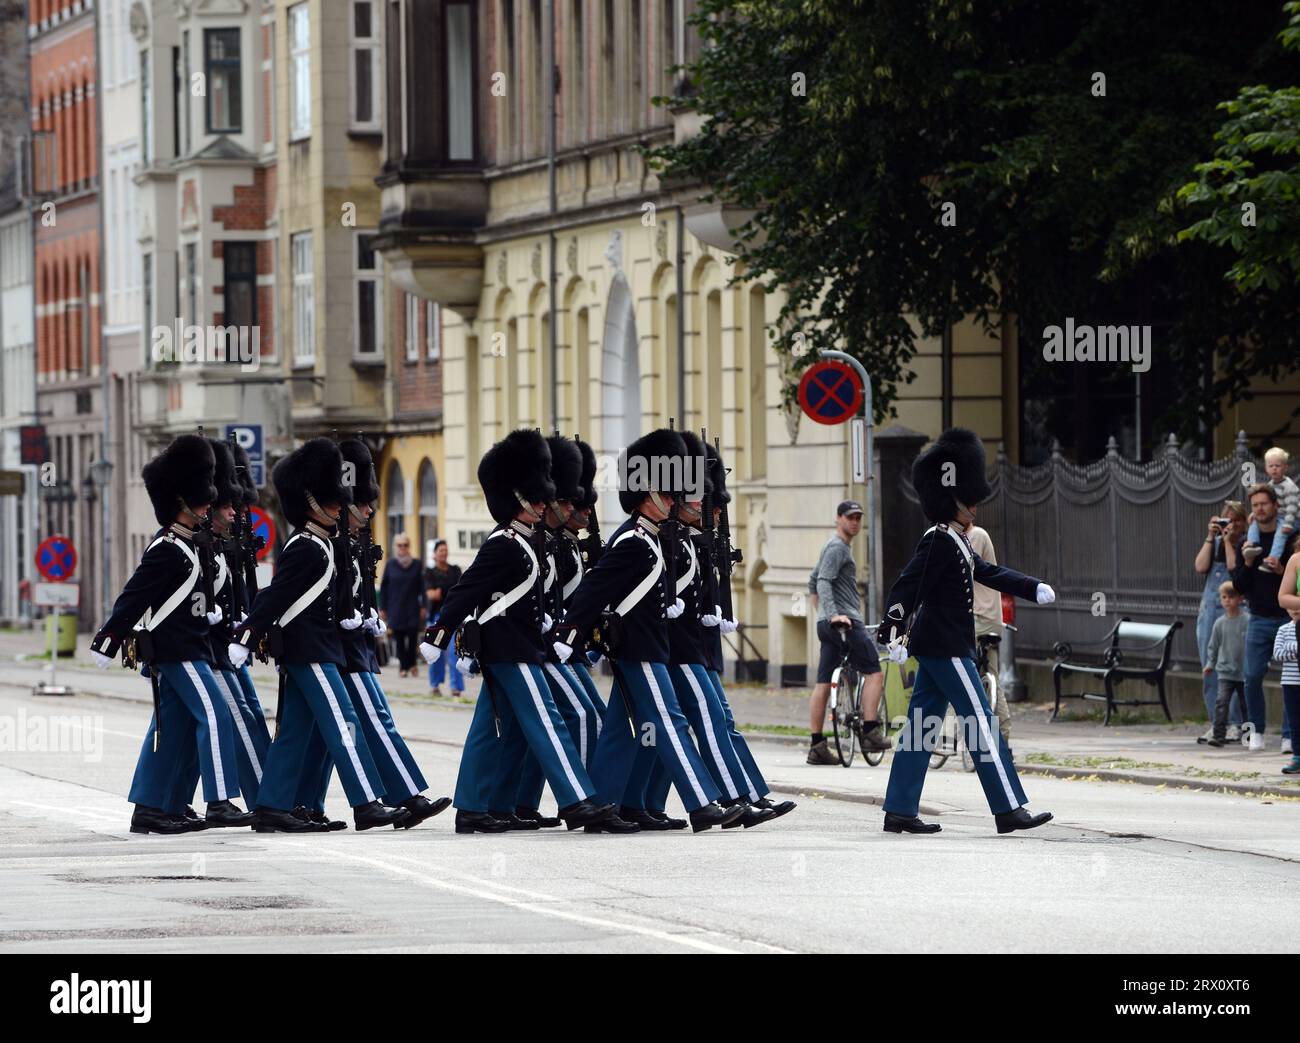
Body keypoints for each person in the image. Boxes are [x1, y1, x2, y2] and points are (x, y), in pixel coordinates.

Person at [419, 428, 621, 834]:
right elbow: (466, 589)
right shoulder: (504, 541)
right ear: (518, 499)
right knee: (547, 721)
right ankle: (577, 799)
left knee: (497, 730)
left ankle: (481, 806)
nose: (546, 503)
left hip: (524, 644)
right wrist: (437, 633)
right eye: (538, 497)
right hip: (507, 646)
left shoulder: (530, 540)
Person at [554, 427, 745, 832]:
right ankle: (702, 802)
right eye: (669, 494)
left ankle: (606, 806)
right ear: (648, 495)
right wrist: (570, 632)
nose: (676, 501)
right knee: (669, 720)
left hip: (650, 644)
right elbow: (594, 588)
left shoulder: (653, 537)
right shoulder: (633, 540)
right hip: (636, 646)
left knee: (626, 731)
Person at [878, 427, 1055, 835]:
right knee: (980, 720)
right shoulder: (938, 541)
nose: (974, 508)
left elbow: (989, 572)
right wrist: (891, 626)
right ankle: (1008, 807)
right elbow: (908, 584)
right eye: (966, 501)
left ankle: (900, 809)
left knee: (922, 726)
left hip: (944, 645)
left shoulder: (957, 540)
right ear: (949, 502)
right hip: (945, 647)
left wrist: (1031, 587)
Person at [229, 438, 409, 833]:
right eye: (331, 502)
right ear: (310, 502)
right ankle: (367, 803)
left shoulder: (323, 543)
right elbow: (275, 597)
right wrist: (246, 636)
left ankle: (273, 806)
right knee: (344, 721)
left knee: (294, 732)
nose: (338, 507)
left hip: (317, 648)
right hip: (309, 651)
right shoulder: (305, 546)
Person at [90, 434, 251, 834]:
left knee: (172, 731)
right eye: (200, 500)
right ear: (181, 502)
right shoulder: (166, 547)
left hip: (192, 645)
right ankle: (220, 802)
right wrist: (108, 640)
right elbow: (133, 596)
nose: (207, 506)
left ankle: (154, 808)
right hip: (175, 650)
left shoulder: (194, 545)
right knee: (216, 716)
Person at [807, 500, 887, 764]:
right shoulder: (837, 548)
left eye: (858, 518)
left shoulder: (833, 547)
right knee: (874, 672)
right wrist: (833, 615)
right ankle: (870, 730)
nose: (855, 522)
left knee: (822, 681)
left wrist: (823, 613)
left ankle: (817, 745)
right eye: (850, 517)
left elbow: (813, 581)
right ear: (838, 518)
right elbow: (823, 581)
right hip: (846, 622)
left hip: (830, 624)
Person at [1228, 483, 1298, 751]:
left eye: (1264, 504)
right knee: (1253, 675)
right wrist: (1247, 562)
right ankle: (1256, 730)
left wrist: (1282, 570)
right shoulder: (1249, 540)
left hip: (1288, 618)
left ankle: (1290, 736)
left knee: (1291, 678)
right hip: (1258, 617)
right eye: (1255, 505)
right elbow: (1239, 586)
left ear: (1275, 506)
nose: (1259, 509)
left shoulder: (1291, 537)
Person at [1194, 500, 1249, 742]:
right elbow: (1200, 566)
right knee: (1210, 666)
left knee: (1235, 667)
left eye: (1236, 520)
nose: (1231, 525)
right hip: (1210, 612)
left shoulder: (1246, 545)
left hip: (1235, 613)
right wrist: (1210, 537)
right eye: (1227, 520)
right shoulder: (1214, 542)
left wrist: (1228, 541)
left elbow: (1233, 568)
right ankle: (1216, 721)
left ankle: (1236, 723)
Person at [966, 523, 1015, 760]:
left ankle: (947, 734)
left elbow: (962, 574)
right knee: (993, 678)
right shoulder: (978, 535)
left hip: (978, 617)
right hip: (991, 620)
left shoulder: (974, 536)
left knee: (956, 671)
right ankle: (1003, 741)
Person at [1203, 581, 1249, 747]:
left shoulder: (1247, 620)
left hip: (1244, 672)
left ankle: (1248, 736)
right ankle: (1218, 735)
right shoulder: (1219, 623)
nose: (1227, 600)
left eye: (1231, 596)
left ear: (1240, 598)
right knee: (1221, 702)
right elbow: (1213, 646)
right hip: (1225, 671)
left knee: (1246, 705)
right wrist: (1210, 663)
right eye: (1224, 597)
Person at [1246, 448, 1298, 573]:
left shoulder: (1289, 486)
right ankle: (1252, 544)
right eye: (1271, 466)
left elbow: (1292, 507)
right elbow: (1266, 502)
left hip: (1292, 519)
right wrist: (1254, 514)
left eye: (1278, 466)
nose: (1274, 468)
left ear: (1285, 468)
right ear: (1266, 468)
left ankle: (1272, 559)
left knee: (1280, 534)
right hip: (1279, 517)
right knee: (1254, 522)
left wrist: (1288, 524)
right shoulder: (1270, 485)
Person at [380, 532, 425, 676]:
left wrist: (424, 605)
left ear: (409, 546)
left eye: (405, 545)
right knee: (398, 637)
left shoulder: (417, 564)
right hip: (395, 606)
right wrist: (383, 607)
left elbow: (422, 586)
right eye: (400, 545)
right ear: (396, 547)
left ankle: (412, 663)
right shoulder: (391, 564)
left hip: (412, 606)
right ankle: (403, 667)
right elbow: (384, 586)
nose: (402, 548)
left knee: (412, 637)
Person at [424, 539, 463, 696]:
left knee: (455, 652)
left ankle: (456, 688)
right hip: (437, 617)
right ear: (435, 554)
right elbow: (431, 595)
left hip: (454, 616)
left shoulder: (455, 570)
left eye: (445, 550)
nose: (444, 553)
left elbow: (461, 591)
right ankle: (435, 685)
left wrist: (442, 591)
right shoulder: (430, 572)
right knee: (436, 653)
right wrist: (442, 592)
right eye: (441, 550)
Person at [1274, 605, 1300, 774]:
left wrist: (1290, 647)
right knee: (1294, 721)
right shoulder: (1283, 629)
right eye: (1292, 607)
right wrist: (1296, 648)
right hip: (1290, 682)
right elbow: (1277, 654)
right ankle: (1297, 756)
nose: (1295, 610)